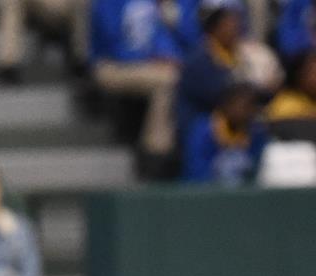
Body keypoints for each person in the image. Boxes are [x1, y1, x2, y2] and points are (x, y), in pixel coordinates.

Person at [91, 0, 185, 174]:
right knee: (168, 80)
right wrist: (150, 57)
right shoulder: (108, 3)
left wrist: (168, 55)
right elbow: (112, 42)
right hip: (111, 65)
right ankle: (155, 152)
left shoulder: (154, 3)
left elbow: (163, 36)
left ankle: (162, 151)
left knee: (174, 77)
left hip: (149, 66)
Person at [181, 79, 273, 178]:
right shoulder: (203, 130)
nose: (250, 111)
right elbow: (196, 172)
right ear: (226, 105)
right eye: (245, 106)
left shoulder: (257, 133)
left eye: (254, 106)